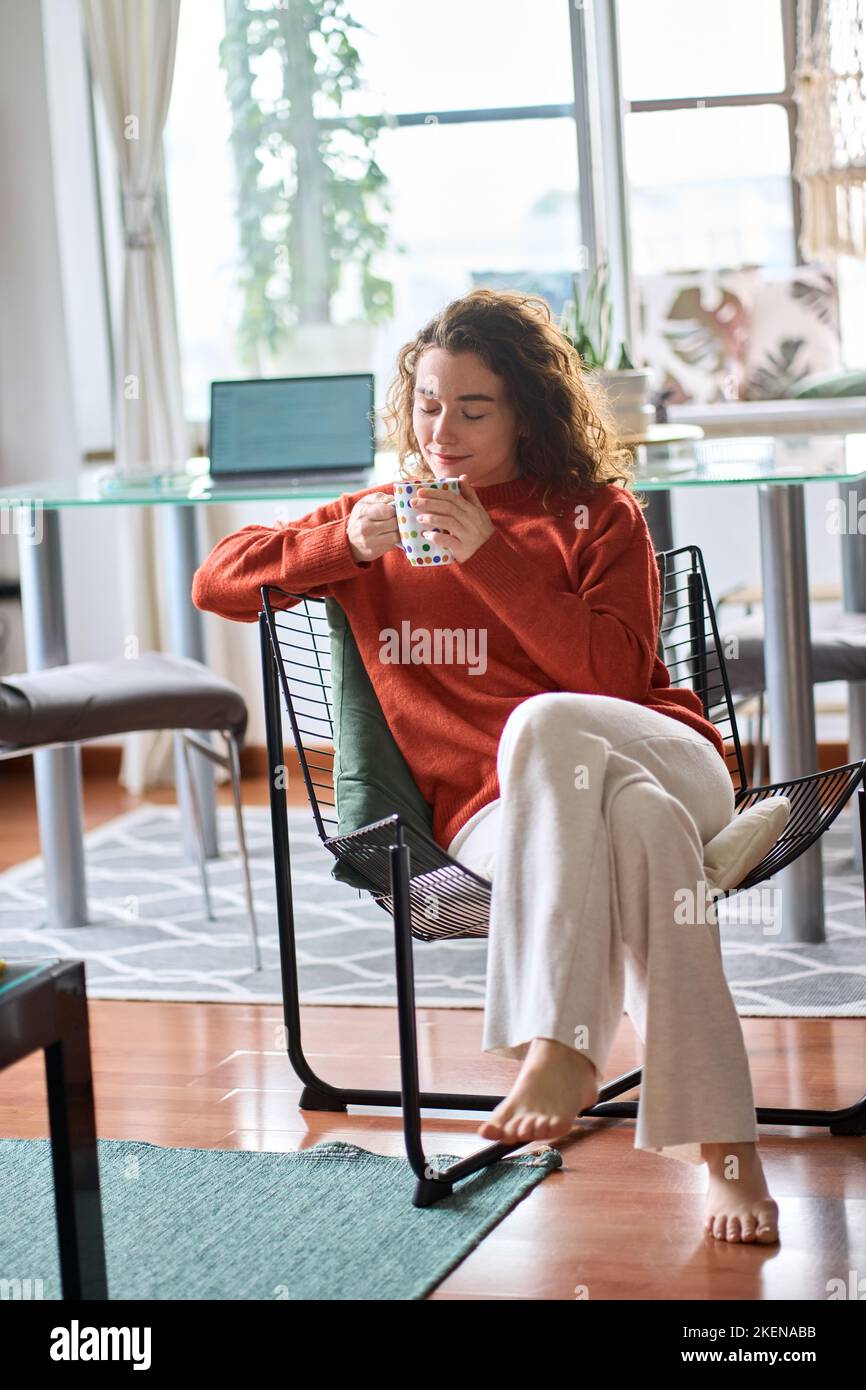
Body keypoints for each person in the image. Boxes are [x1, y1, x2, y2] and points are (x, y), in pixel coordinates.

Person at [191, 289, 779, 1245]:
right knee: (642, 838)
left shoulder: (595, 516)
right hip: (502, 815)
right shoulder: (381, 523)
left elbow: (613, 676)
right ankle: (729, 1154)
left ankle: (558, 1043)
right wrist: (344, 540)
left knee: (549, 724)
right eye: (428, 403)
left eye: (475, 408)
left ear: (526, 412)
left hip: (663, 750)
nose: (444, 429)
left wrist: (493, 559)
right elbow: (218, 578)